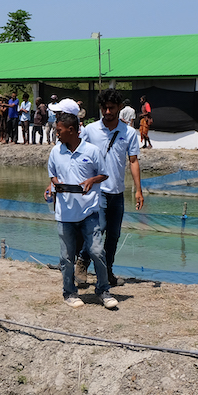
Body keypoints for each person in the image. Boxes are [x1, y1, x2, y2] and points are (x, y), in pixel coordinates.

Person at [46, 100, 117, 310]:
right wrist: (54, 186)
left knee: (96, 251)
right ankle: (69, 292)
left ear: (71, 130)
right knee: (66, 257)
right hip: (65, 214)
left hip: (89, 212)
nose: (56, 133)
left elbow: (103, 174)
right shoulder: (55, 152)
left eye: (59, 130)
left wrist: (90, 181)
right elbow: (53, 175)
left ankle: (103, 290)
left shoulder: (92, 151)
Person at [77, 88, 144, 288]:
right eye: (104, 108)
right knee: (99, 229)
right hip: (98, 191)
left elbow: (133, 161)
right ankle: (82, 262)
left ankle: (107, 271)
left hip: (118, 192)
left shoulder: (129, 133)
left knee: (114, 235)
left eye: (111, 108)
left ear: (119, 108)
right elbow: (79, 156)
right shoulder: (90, 130)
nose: (107, 111)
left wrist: (139, 190)